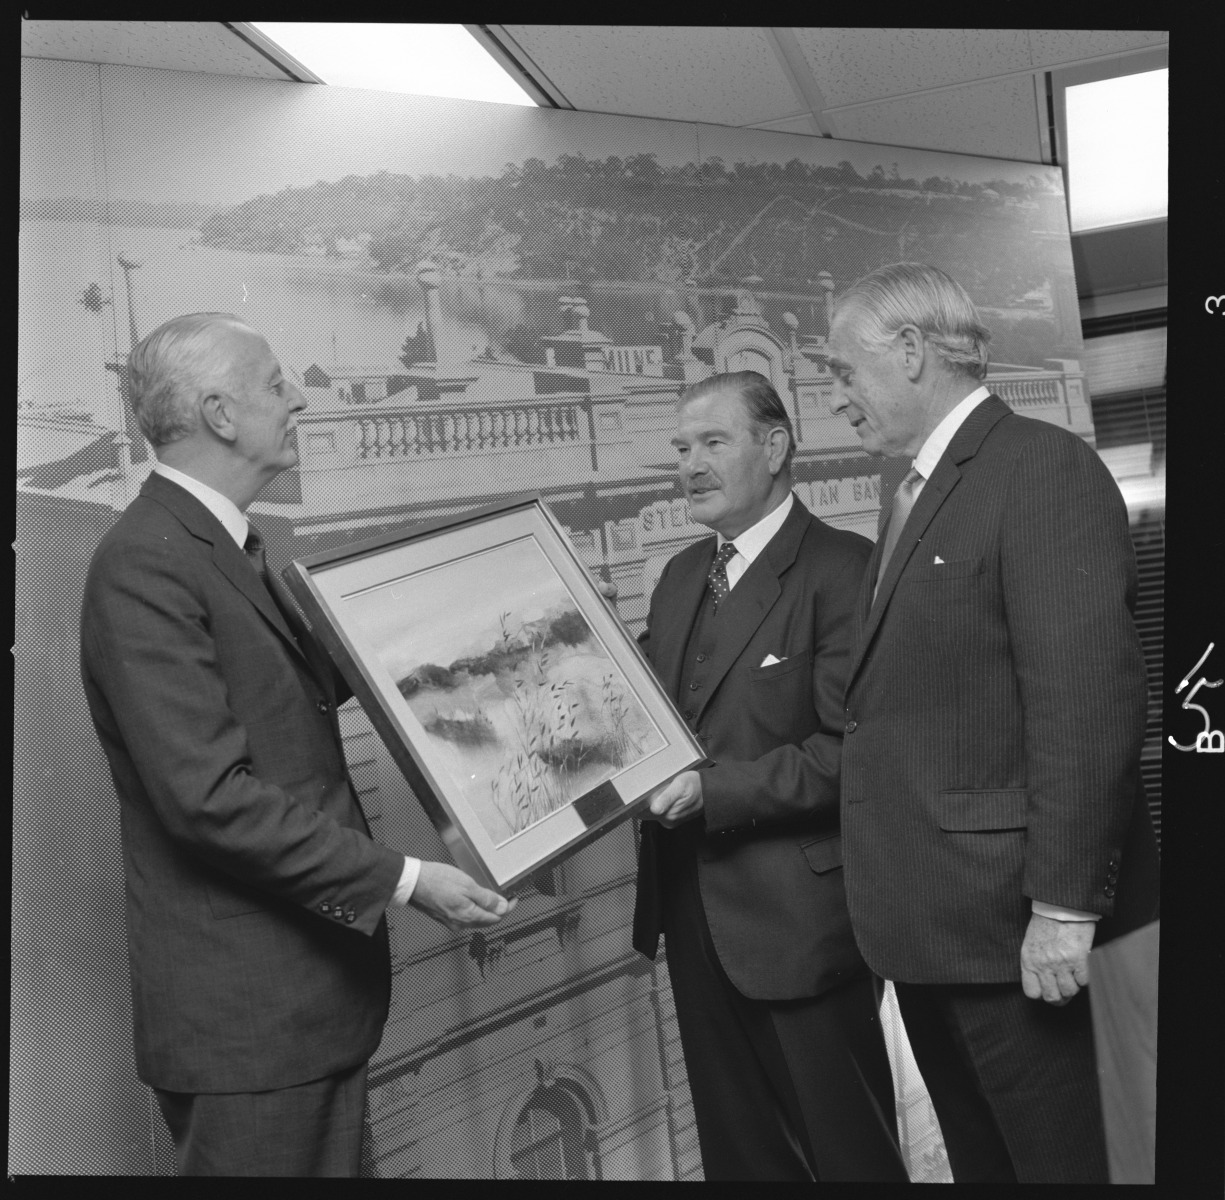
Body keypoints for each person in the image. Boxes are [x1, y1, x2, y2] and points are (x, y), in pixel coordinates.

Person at [79, 313, 515, 1177]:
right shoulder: (146, 564)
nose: (302, 398)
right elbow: (210, 801)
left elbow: (315, 680)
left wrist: (478, 608)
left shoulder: (225, 547)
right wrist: (405, 878)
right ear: (219, 414)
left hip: (298, 1015)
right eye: (277, 384)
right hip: (251, 1027)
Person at [827, 263, 1160, 1184]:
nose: (836, 397)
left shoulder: (1039, 468)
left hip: (1017, 937)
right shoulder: (910, 494)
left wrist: (1062, 908)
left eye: (842, 370)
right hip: (937, 937)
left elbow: (1084, 702)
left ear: (908, 352)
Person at [631, 371, 908, 1181]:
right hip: (690, 920)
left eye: (712, 442)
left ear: (776, 446)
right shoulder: (680, 576)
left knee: (850, 1158)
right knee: (741, 1162)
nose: (690, 464)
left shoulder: (844, 570)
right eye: (682, 447)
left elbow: (849, 754)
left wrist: (710, 792)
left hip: (802, 928)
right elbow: (642, 725)